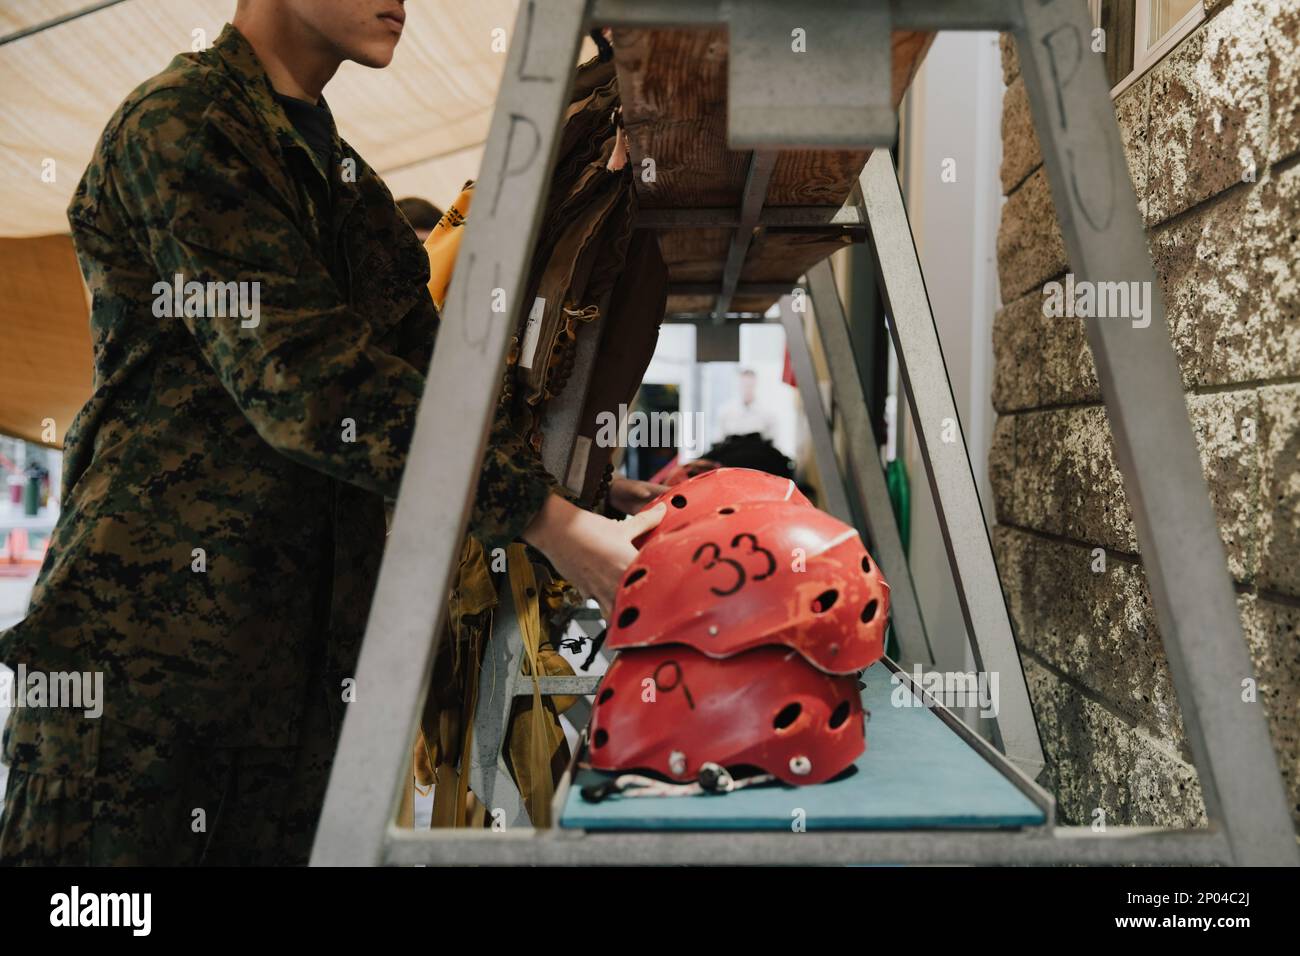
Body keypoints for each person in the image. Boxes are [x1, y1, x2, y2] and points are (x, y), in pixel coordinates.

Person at [0, 0, 661, 866]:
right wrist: (547, 518)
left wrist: (579, 485)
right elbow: (307, 378)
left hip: (298, 684)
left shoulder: (342, 178)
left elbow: (435, 378)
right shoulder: (187, 126)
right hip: (147, 679)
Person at [717, 367, 778, 442]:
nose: (747, 389)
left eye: (750, 385)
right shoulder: (726, 412)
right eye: (744, 385)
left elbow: (773, 442)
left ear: (755, 384)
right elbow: (719, 440)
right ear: (739, 385)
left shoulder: (768, 414)